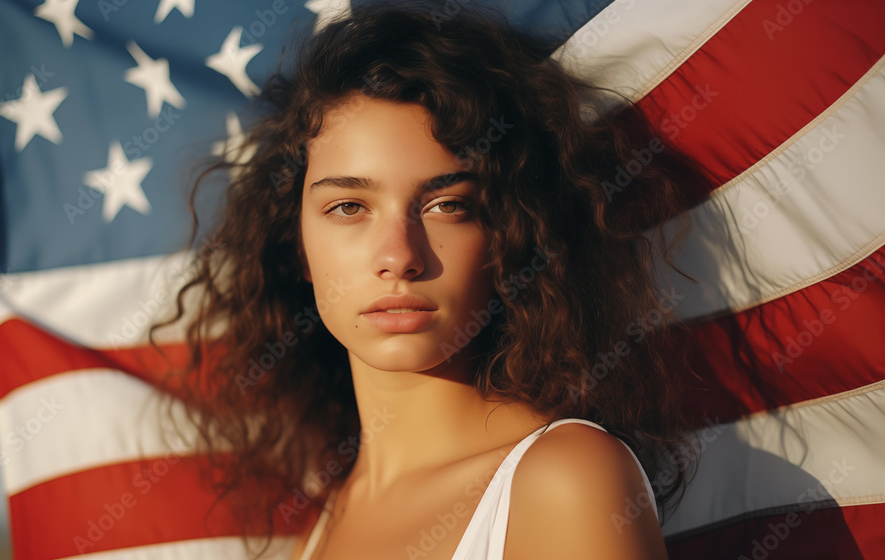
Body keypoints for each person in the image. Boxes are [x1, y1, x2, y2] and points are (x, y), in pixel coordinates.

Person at [150, 2, 708, 559]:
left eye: (447, 205)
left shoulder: (565, 478)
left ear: (509, 234)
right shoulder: (322, 521)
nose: (399, 256)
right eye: (348, 206)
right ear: (296, 244)